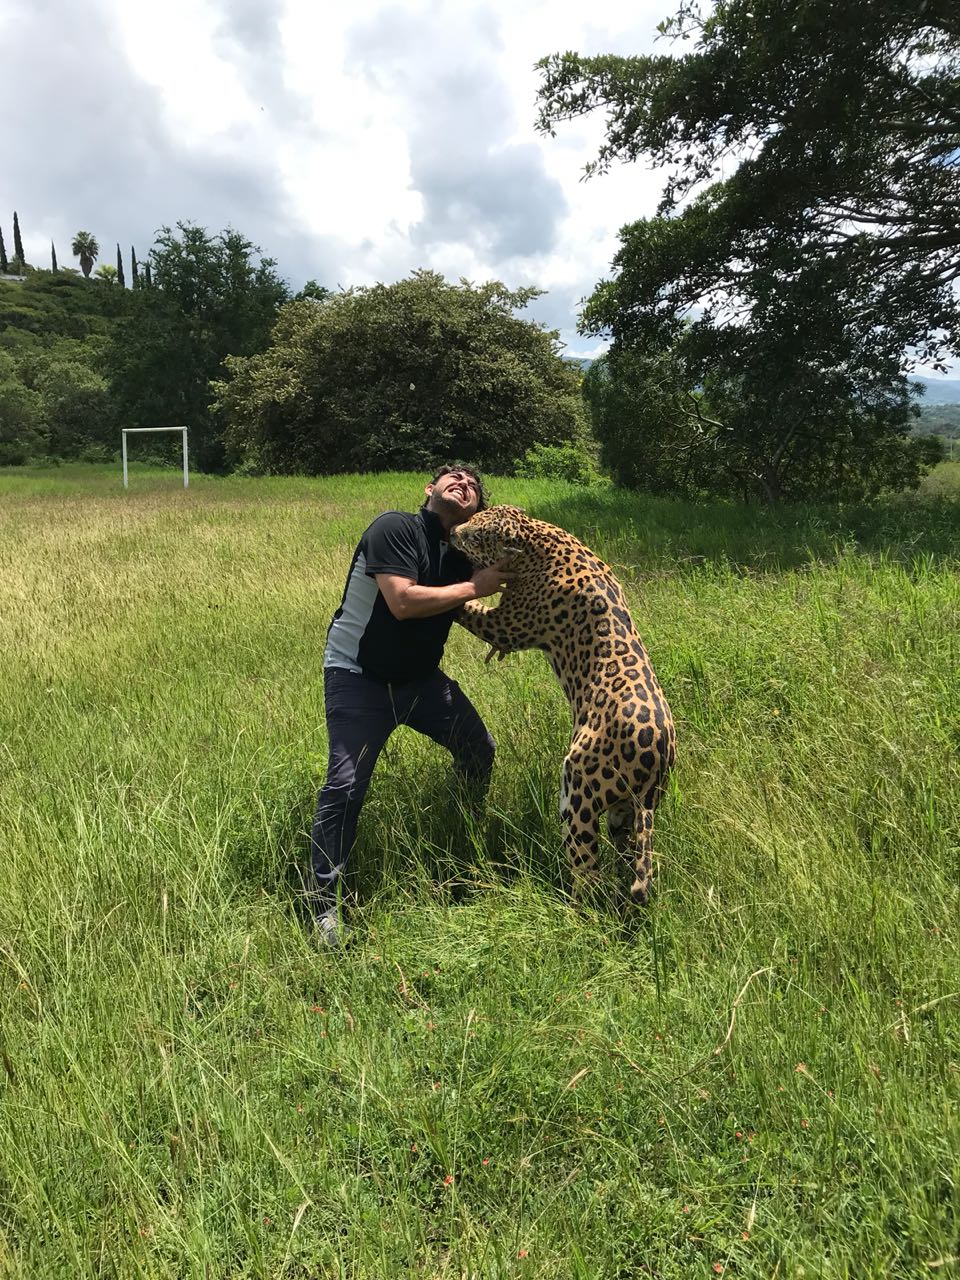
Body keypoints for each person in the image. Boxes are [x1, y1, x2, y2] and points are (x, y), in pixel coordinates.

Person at [308, 465, 511, 946]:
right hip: (359, 677)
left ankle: (455, 834)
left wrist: (512, 629)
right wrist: (475, 587)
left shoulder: (461, 555)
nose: (461, 479)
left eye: (472, 484)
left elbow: (470, 605)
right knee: (345, 785)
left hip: (420, 683)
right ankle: (323, 906)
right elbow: (402, 601)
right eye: (451, 475)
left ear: (477, 509)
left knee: (478, 749)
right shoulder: (395, 528)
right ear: (430, 489)